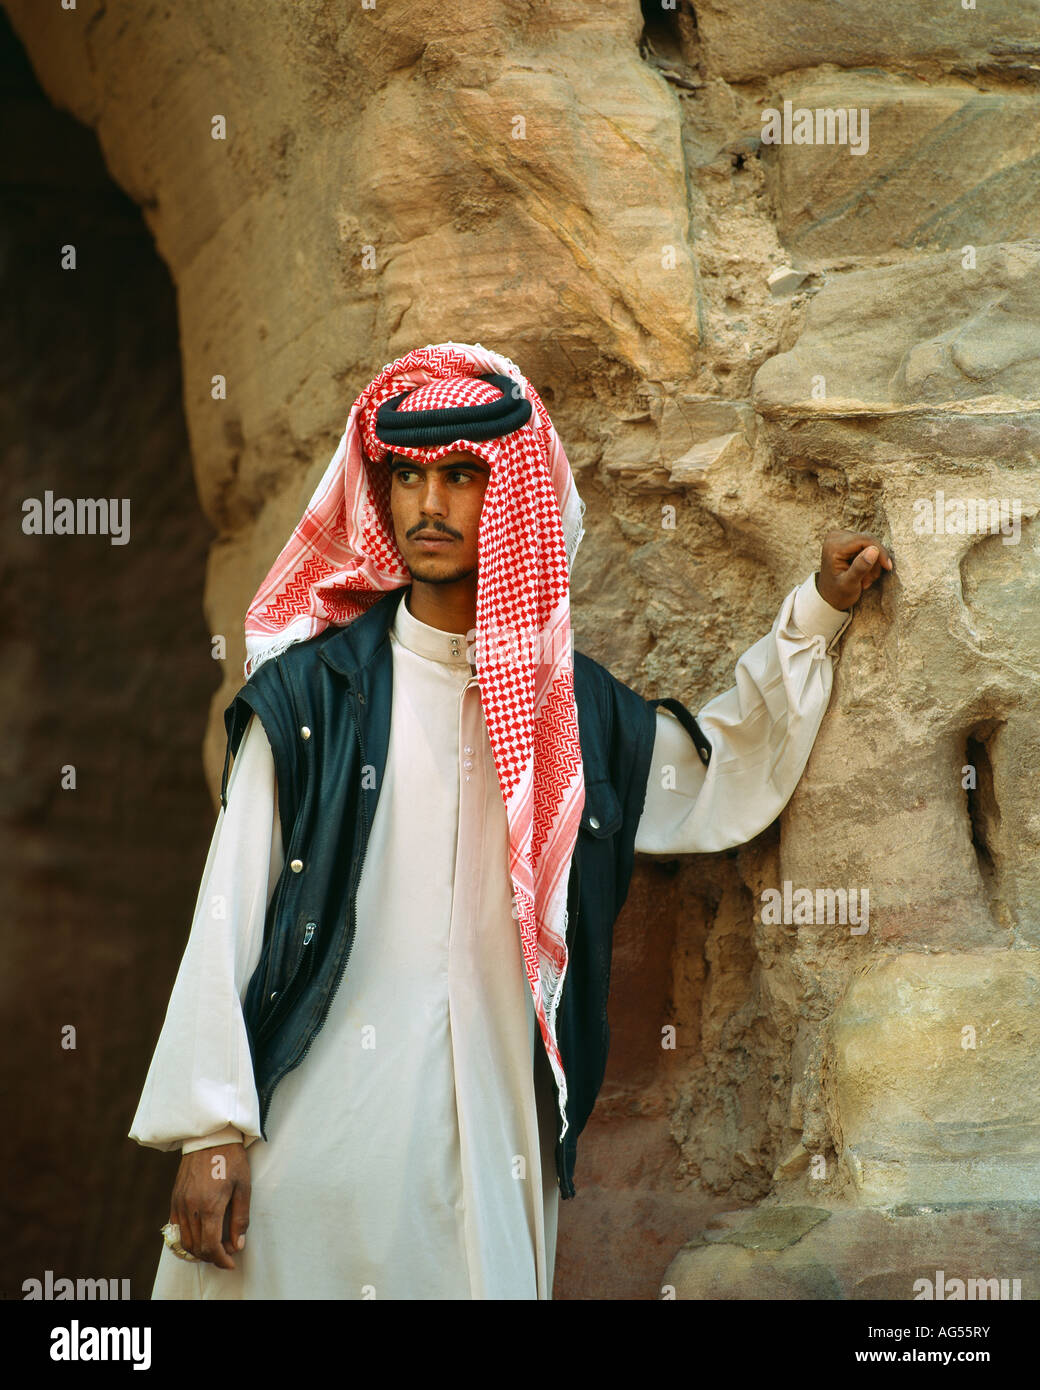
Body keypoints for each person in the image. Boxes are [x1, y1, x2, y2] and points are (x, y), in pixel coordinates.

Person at [129, 341, 893, 1300]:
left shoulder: (568, 715)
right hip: (310, 1152)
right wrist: (209, 1133)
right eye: (407, 476)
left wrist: (815, 616)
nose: (427, 505)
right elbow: (225, 914)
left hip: (490, 1150)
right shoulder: (310, 699)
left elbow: (711, 776)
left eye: (460, 476)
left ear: (516, 499)